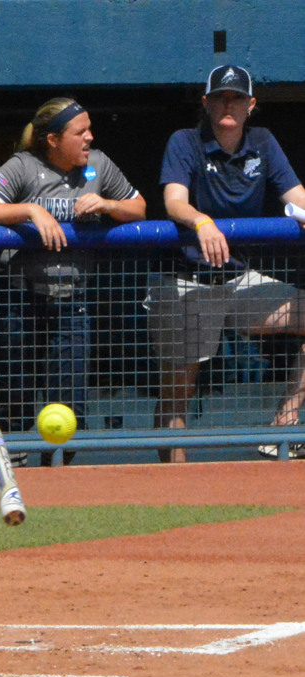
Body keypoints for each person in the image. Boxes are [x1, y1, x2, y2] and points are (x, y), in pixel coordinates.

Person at [0, 98, 146, 466]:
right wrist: (31, 210)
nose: (89, 137)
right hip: (22, 299)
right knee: (16, 392)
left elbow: (139, 207)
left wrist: (108, 205)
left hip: (72, 300)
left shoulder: (98, 164)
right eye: (79, 132)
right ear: (53, 139)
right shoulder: (24, 165)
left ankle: (62, 478)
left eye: (88, 129)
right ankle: (15, 465)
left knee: (70, 402)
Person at [148, 64, 305, 462]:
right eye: (220, 96)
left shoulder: (263, 142)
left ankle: (284, 427)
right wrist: (201, 222)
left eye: (236, 97)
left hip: (238, 282)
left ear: (252, 104)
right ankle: (172, 493)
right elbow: (174, 201)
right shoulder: (185, 141)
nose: (228, 104)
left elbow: (297, 194)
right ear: (206, 102)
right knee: (178, 396)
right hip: (186, 281)